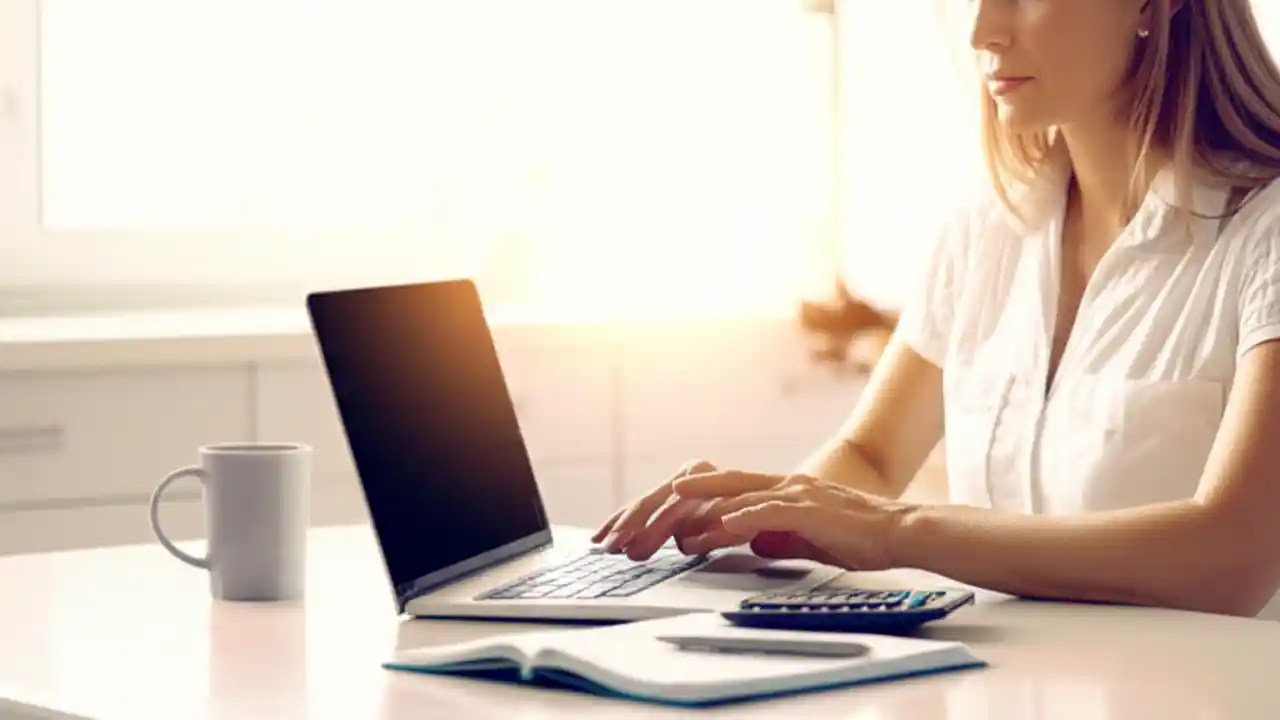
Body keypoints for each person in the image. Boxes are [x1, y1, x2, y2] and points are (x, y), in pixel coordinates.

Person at [593, 0, 1280, 618]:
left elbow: (1234, 557)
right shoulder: (986, 227)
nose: (983, 31)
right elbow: (871, 456)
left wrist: (898, 531)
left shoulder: (1264, 232)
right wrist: (746, 522)